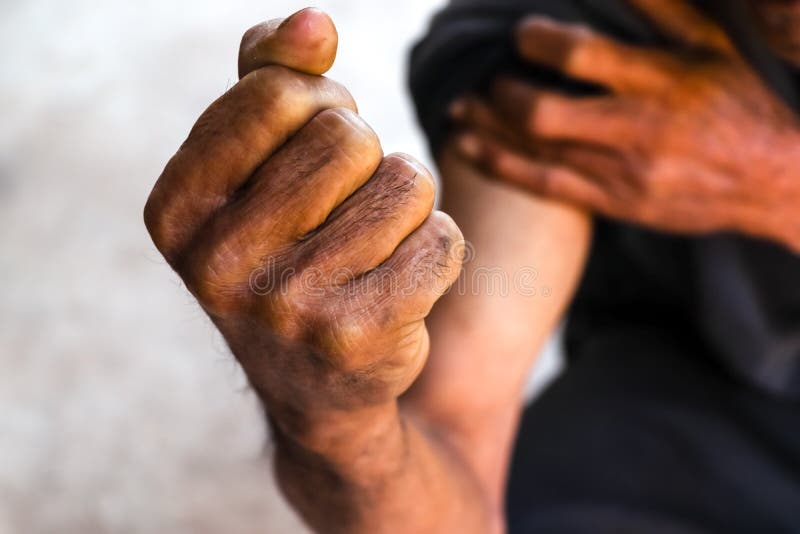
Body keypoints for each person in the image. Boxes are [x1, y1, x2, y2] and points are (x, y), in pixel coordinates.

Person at [143, 1, 800, 532]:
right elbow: (456, 452)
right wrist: (337, 422)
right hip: (703, 401)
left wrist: (780, 181)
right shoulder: (581, 50)